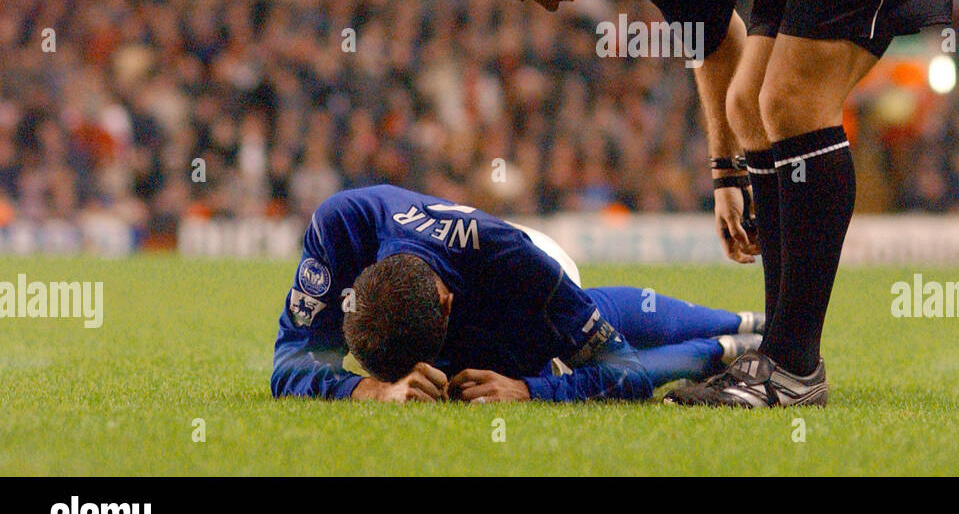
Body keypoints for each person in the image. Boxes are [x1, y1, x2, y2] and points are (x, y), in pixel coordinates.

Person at [459, 0, 959, 406]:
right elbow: (712, 39)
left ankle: (793, 368)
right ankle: (774, 354)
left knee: (788, 100)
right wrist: (726, 171)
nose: (551, 6)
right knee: (753, 103)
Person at [270, 184, 762, 403]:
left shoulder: (516, 264)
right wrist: (368, 389)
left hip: (518, 280)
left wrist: (530, 390)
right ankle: (741, 326)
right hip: (457, 279)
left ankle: (721, 345)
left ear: (444, 308)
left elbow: (625, 373)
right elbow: (289, 361)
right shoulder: (342, 226)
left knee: (584, 352)